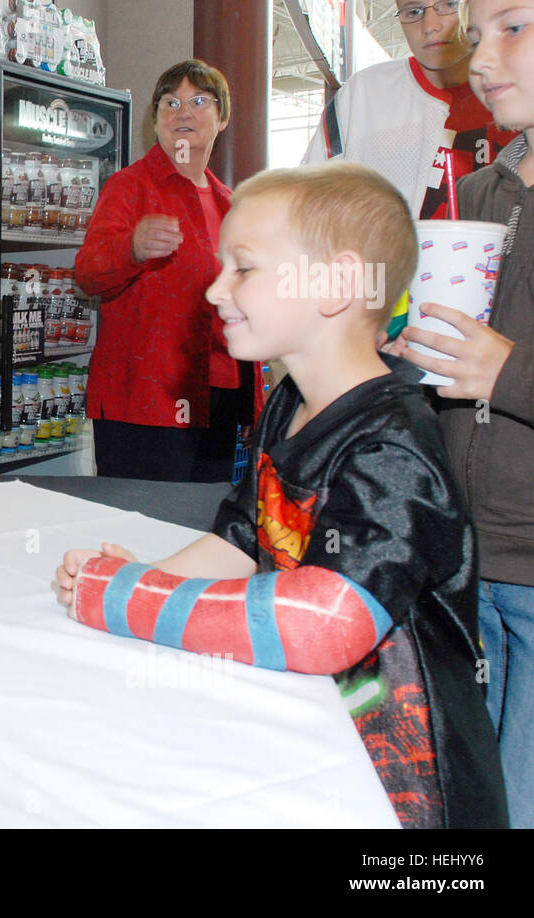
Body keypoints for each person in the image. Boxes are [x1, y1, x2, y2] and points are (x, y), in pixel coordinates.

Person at [56, 162, 507, 828]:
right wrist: (143, 575)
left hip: (405, 790)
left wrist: (127, 598)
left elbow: (323, 622)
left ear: (337, 285)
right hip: (322, 747)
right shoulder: (288, 405)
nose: (214, 290)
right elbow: (243, 536)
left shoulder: (392, 444)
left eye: (243, 269)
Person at [391, 0, 534, 829]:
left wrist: (508, 372)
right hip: (468, 558)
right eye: (476, 36)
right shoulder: (477, 190)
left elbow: (497, 366)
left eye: (513, 26)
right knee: (468, 799)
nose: (481, 57)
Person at [74, 59, 260, 483]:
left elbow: (246, 307)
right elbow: (87, 275)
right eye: (170, 103)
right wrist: (132, 248)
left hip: (219, 402)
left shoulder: (232, 203)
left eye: (198, 101)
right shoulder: (130, 187)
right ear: (155, 120)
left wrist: (252, 403)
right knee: (140, 534)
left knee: (201, 532)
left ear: (223, 117)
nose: (183, 112)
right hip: (143, 401)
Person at [304, 0, 518, 339]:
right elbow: (308, 208)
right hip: (386, 327)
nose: (431, 26)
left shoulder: (515, 101)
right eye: (414, 12)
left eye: (447, 6)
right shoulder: (364, 97)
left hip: (500, 324)